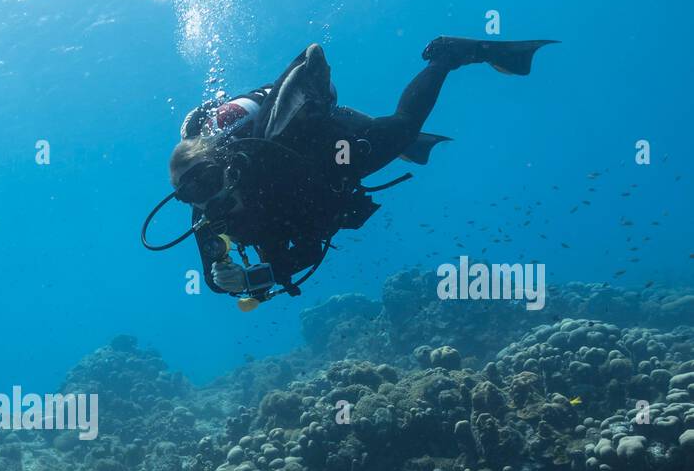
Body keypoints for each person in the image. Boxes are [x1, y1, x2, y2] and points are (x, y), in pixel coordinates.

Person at [142, 36, 558, 309]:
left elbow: (309, 64)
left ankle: (451, 56)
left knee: (400, 128)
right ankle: (404, 143)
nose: (205, 200)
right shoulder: (204, 210)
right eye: (187, 196)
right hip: (306, 197)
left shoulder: (263, 155)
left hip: (328, 153)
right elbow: (224, 279)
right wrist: (242, 279)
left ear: (227, 166)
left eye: (208, 184)